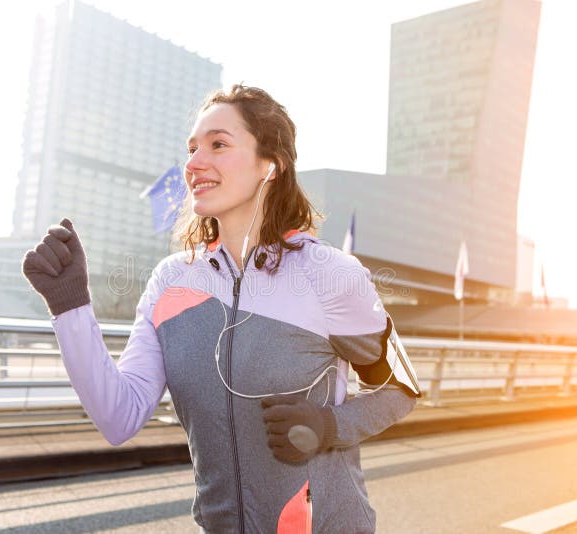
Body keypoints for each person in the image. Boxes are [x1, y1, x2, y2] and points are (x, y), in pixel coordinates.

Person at [22, 84, 417, 533]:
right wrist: (70, 305)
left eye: (218, 145)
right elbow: (119, 417)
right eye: (191, 149)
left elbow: (401, 387)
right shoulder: (171, 282)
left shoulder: (330, 274)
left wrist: (328, 425)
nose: (193, 163)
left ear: (270, 165)